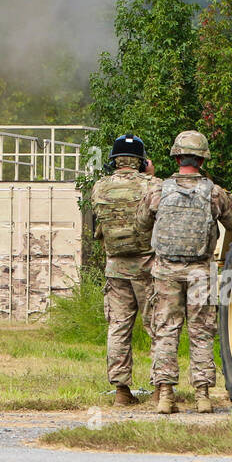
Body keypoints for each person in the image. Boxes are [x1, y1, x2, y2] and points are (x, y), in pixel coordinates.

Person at [137, 130, 232, 414]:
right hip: (201, 270)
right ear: (202, 159)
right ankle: (203, 396)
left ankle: (166, 395)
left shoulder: (158, 190)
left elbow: (142, 224)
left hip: (166, 270)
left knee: (166, 331)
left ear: (177, 156)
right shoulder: (214, 192)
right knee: (202, 332)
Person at [90, 133, 162, 406]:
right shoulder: (154, 185)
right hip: (148, 265)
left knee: (118, 327)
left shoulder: (99, 187)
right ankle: (159, 390)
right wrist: (151, 176)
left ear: (114, 161)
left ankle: (121, 392)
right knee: (157, 326)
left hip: (115, 266)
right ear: (142, 162)